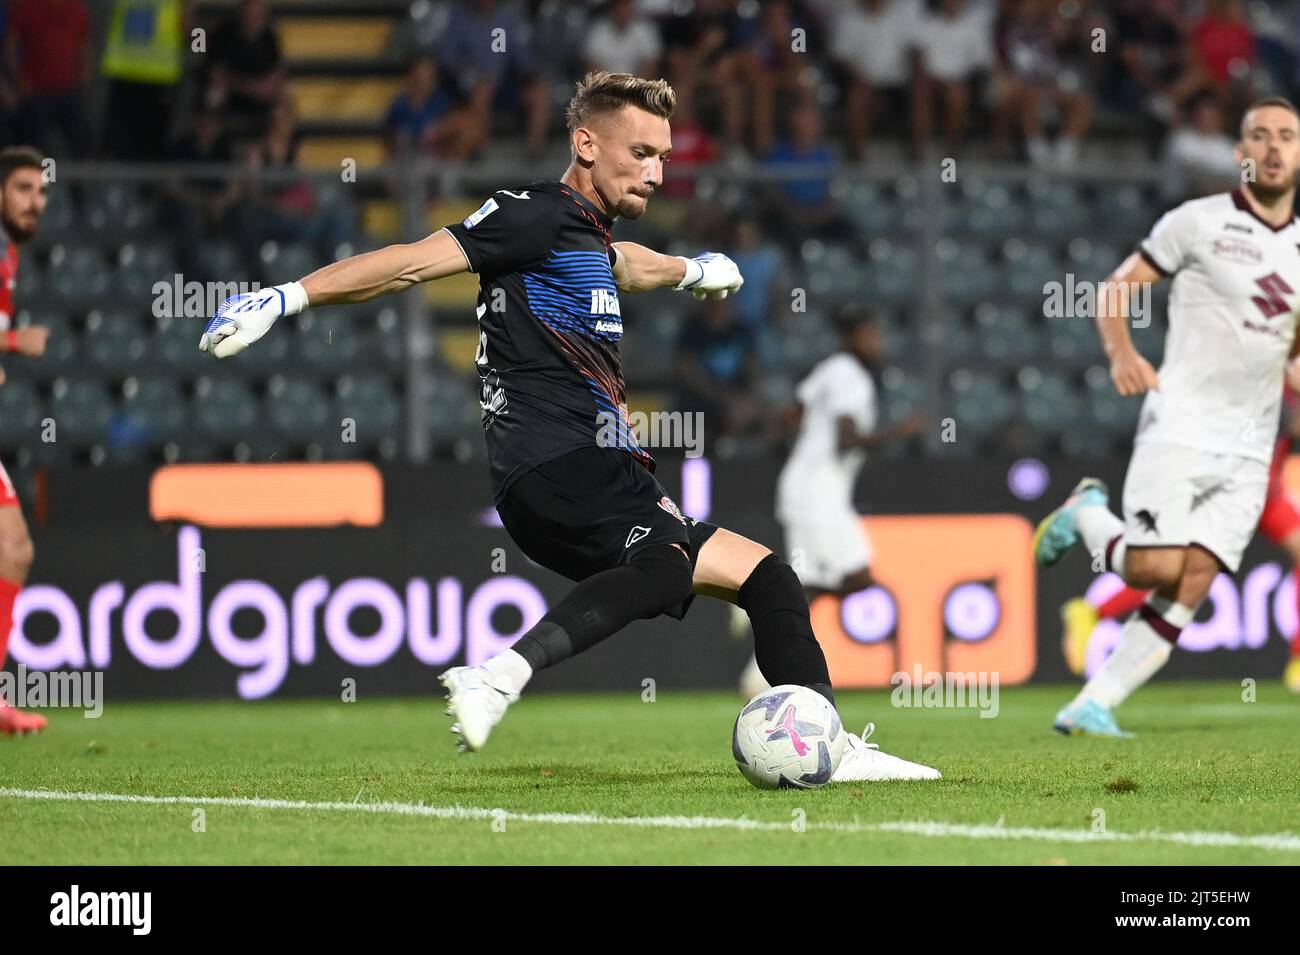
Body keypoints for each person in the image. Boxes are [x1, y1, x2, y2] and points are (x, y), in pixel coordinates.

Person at [196, 71, 940, 782]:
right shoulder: (532, 212)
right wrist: (287, 297)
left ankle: (828, 742)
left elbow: (628, 265)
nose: (655, 173)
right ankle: (500, 674)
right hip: (554, 462)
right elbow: (409, 264)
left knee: (766, 575)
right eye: (640, 153)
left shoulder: (585, 235)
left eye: (663, 158)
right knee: (664, 565)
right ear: (586, 143)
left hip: (599, 467)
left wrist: (693, 270)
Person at [1034, 97, 1300, 737]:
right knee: (1153, 567)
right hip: (1182, 421)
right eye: (1258, 136)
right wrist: (1122, 352)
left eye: (1286, 136)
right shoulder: (1197, 221)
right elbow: (1116, 288)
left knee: (1195, 579)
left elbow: (1288, 347)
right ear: (1239, 156)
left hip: (1251, 445)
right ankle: (1085, 512)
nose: (1271, 147)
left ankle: (1091, 703)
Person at [1059, 387, 1300, 694]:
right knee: (1180, 568)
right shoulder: (1262, 368)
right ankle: (1092, 611)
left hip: (1267, 490)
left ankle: (1298, 660)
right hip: (1234, 486)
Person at [740, 308, 922, 697]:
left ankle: (757, 611)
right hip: (816, 491)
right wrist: (899, 432)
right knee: (813, 584)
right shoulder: (851, 377)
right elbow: (845, 439)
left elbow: (792, 415)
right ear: (853, 338)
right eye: (872, 335)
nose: (879, 344)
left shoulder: (830, 368)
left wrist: (770, 426)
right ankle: (761, 664)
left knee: (854, 578)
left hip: (822, 489)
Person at [0, 146, 51, 736]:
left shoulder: (9, 255)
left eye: (40, 192)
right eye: (21, 189)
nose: (34, 202)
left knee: (11, 550)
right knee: (12, 547)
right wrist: (15, 345)